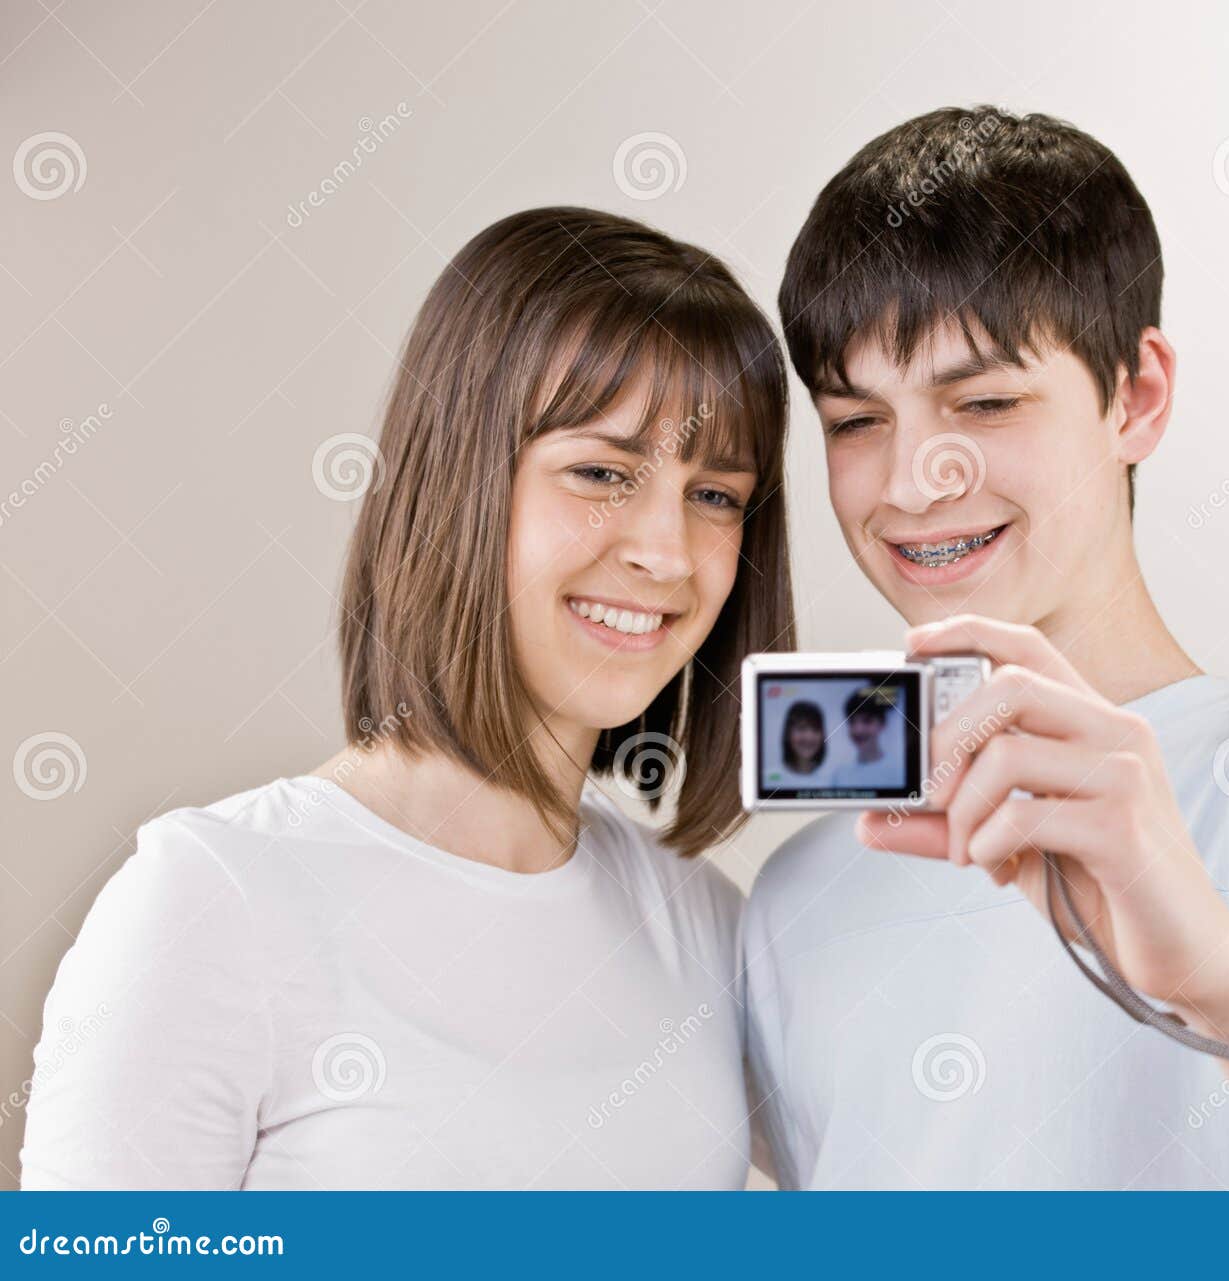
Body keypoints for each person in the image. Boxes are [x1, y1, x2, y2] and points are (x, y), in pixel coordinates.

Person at [741, 106, 1229, 1190]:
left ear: (1137, 396)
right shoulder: (798, 896)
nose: (909, 481)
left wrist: (1226, 988)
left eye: (983, 401)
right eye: (854, 421)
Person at [20, 207, 794, 1190]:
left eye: (715, 495)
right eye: (601, 473)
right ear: (456, 479)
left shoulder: (704, 928)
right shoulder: (210, 904)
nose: (665, 551)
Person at [828, 688, 903, 790]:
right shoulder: (840, 775)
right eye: (852, 722)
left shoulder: (899, 771)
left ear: (882, 724)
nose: (858, 730)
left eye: (867, 721)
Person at [777, 699, 829, 786]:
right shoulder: (770, 779)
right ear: (787, 734)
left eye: (815, 729)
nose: (809, 737)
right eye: (801, 728)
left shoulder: (831, 781)